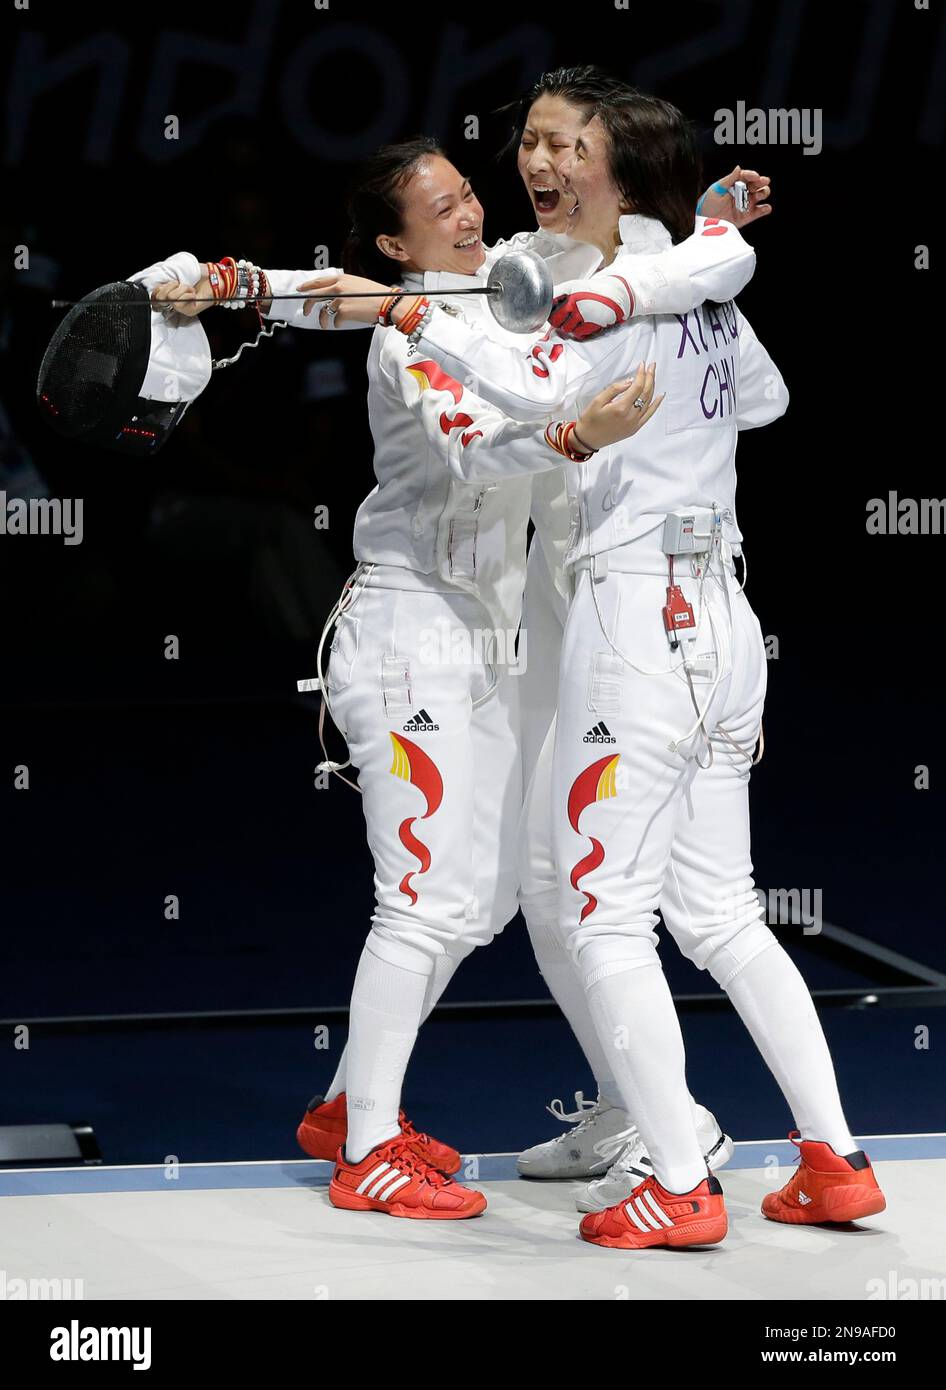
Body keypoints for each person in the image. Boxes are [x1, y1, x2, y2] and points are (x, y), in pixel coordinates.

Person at [308, 90, 886, 1246]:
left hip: (627, 625)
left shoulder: (601, 293)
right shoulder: (654, 273)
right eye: (524, 144)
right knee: (706, 909)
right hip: (697, 619)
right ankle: (832, 1158)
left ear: (620, 171)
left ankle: (670, 1168)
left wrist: (434, 327)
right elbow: (759, 395)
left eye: (565, 146)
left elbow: (526, 391)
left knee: (593, 911)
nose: (529, 167)